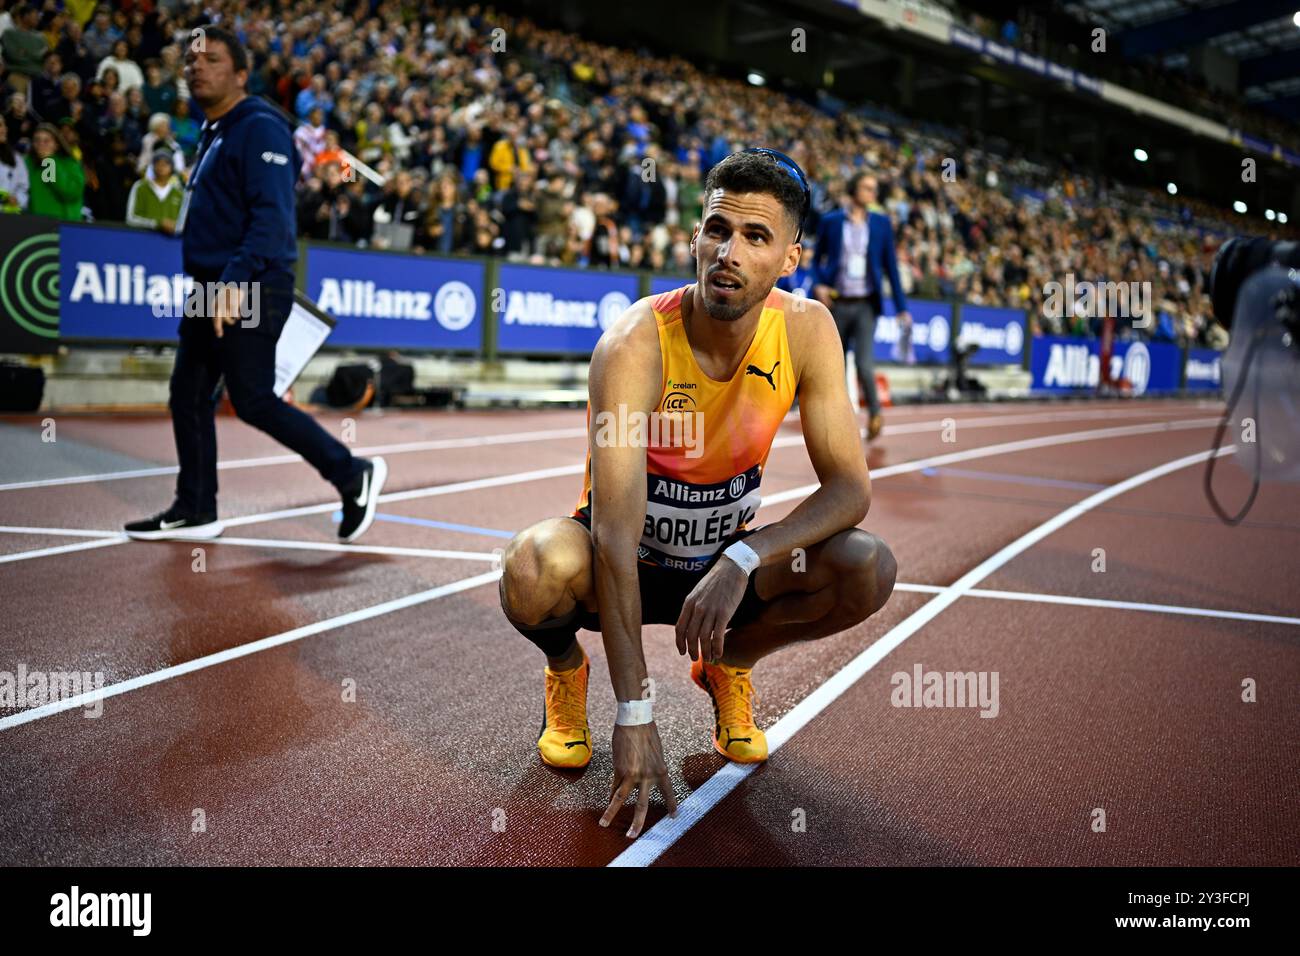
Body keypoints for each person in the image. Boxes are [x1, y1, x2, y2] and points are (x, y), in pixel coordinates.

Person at [498, 149, 896, 838]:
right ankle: (566, 670)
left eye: (755, 237)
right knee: (532, 568)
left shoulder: (808, 331)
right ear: (694, 236)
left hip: (724, 572)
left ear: (790, 259)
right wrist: (635, 713)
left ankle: (728, 667)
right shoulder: (634, 343)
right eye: (717, 229)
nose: (728, 252)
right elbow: (615, 539)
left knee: (867, 568)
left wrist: (743, 560)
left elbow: (849, 490)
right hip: (620, 563)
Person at [124, 27, 386, 542]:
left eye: (213, 59)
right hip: (210, 288)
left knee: (253, 399)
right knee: (188, 393)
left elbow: (272, 220)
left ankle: (352, 472)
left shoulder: (260, 127)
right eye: (192, 60)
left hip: (250, 284)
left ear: (241, 74)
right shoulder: (213, 131)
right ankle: (196, 508)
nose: (197, 67)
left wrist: (234, 281)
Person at [812, 171, 910, 441]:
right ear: (854, 189)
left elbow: (890, 266)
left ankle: (875, 413)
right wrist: (818, 285)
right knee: (836, 368)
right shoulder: (831, 221)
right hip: (837, 303)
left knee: (865, 365)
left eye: (874, 188)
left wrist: (902, 308)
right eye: (867, 188)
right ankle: (840, 422)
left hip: (866, 304)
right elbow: (816, 260)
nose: (872, 193)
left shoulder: (881, 224)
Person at [23, 122, 84, 220]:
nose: (41, 144)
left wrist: (48, 162)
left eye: (46, 141)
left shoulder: (70, 163)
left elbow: (69, 192)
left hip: (64, 224)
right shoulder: (27, 163)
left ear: (56, 145)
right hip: (34, 224)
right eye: (37, 140)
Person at [124, 147, 182, 233]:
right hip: (143, 240)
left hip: (171, 244)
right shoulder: (140, 187)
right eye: (157, 162)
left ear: (172, 167)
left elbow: (183, 223)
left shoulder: (179, 193)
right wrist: (157, 224)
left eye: (166, 163)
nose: (161, 166)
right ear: (153, 166)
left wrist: (176, 227)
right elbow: (130, 219)